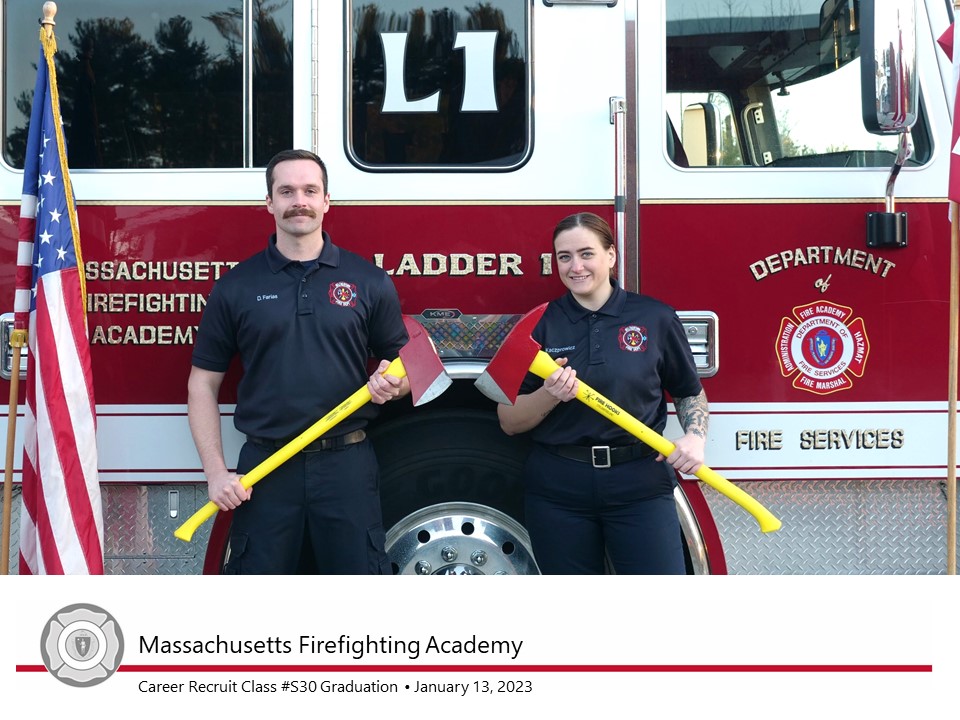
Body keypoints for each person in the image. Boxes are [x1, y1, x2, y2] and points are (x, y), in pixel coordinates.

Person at [187, 149, 409, 574]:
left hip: (347, 466)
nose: (299, 201)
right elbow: (203, 384)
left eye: (310, 190)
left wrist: (393, 384)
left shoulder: (368, 280)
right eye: (286, 191)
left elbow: (405, 370)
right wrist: (216, 474)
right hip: (265, 472)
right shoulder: (236, 286)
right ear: (269, 202)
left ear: (327, 200)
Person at [497, 212, 708, 574]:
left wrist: (695, 436)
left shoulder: (655, 317)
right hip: (558, 487)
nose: (575, 266)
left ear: (611, 256)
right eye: (564, 257)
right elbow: (509, 422)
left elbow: (690, 392)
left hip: (640, 482)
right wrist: (550, 394)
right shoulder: (539, 324)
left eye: (586, 253)